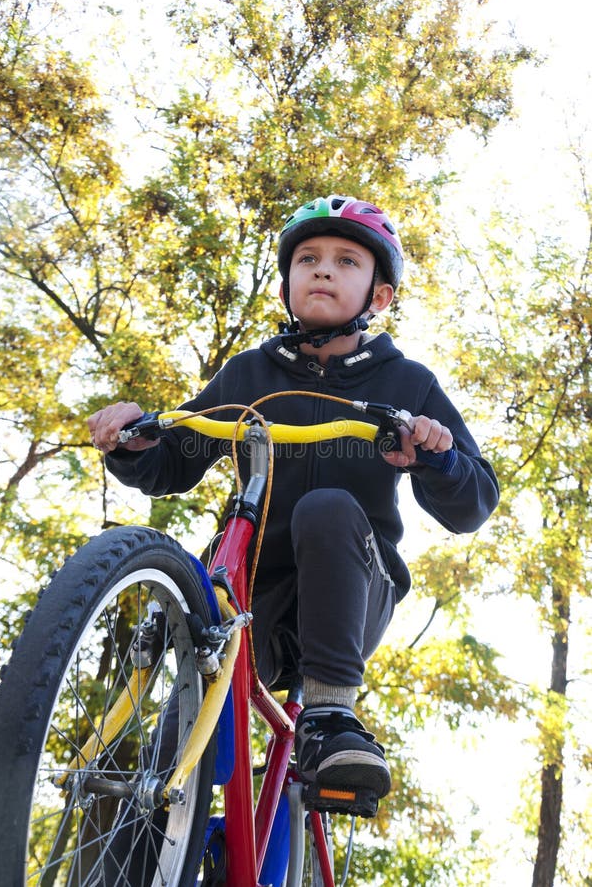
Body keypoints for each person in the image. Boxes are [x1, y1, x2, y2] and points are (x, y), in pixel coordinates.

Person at [88, 194, 499, 805]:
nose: (323, 270)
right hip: (250, 605)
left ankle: (332, 720)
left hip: (352, 589)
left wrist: (436, 458)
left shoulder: (407, 384)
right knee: (168, 773)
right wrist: (127, 441)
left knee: (327, 507)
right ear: (287, 283)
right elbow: (173, 459)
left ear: (379, 297)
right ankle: (157, 833)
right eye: (307, 258)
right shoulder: (249, 375)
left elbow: (473, 502)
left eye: (345, 261)